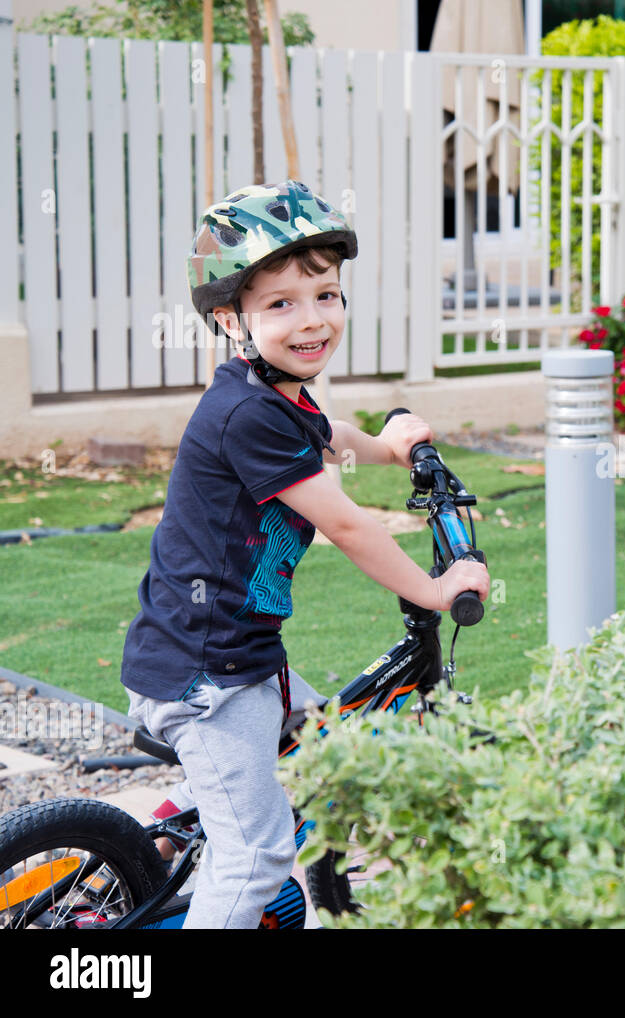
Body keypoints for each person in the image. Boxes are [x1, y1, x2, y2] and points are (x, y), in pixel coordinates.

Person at [120, 180, 490, 928]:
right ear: (231, 318)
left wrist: (387, 448)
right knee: (254, 856)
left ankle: (181, 817)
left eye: (325, 294)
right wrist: (435, 588)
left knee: (313, 745)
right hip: (206, 674)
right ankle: (213, 816)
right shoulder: (245, 414)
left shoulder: (272, 389)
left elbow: (325, 435)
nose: (312, 319)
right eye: (281, 304)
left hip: (237, 650)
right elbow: (350, 527)